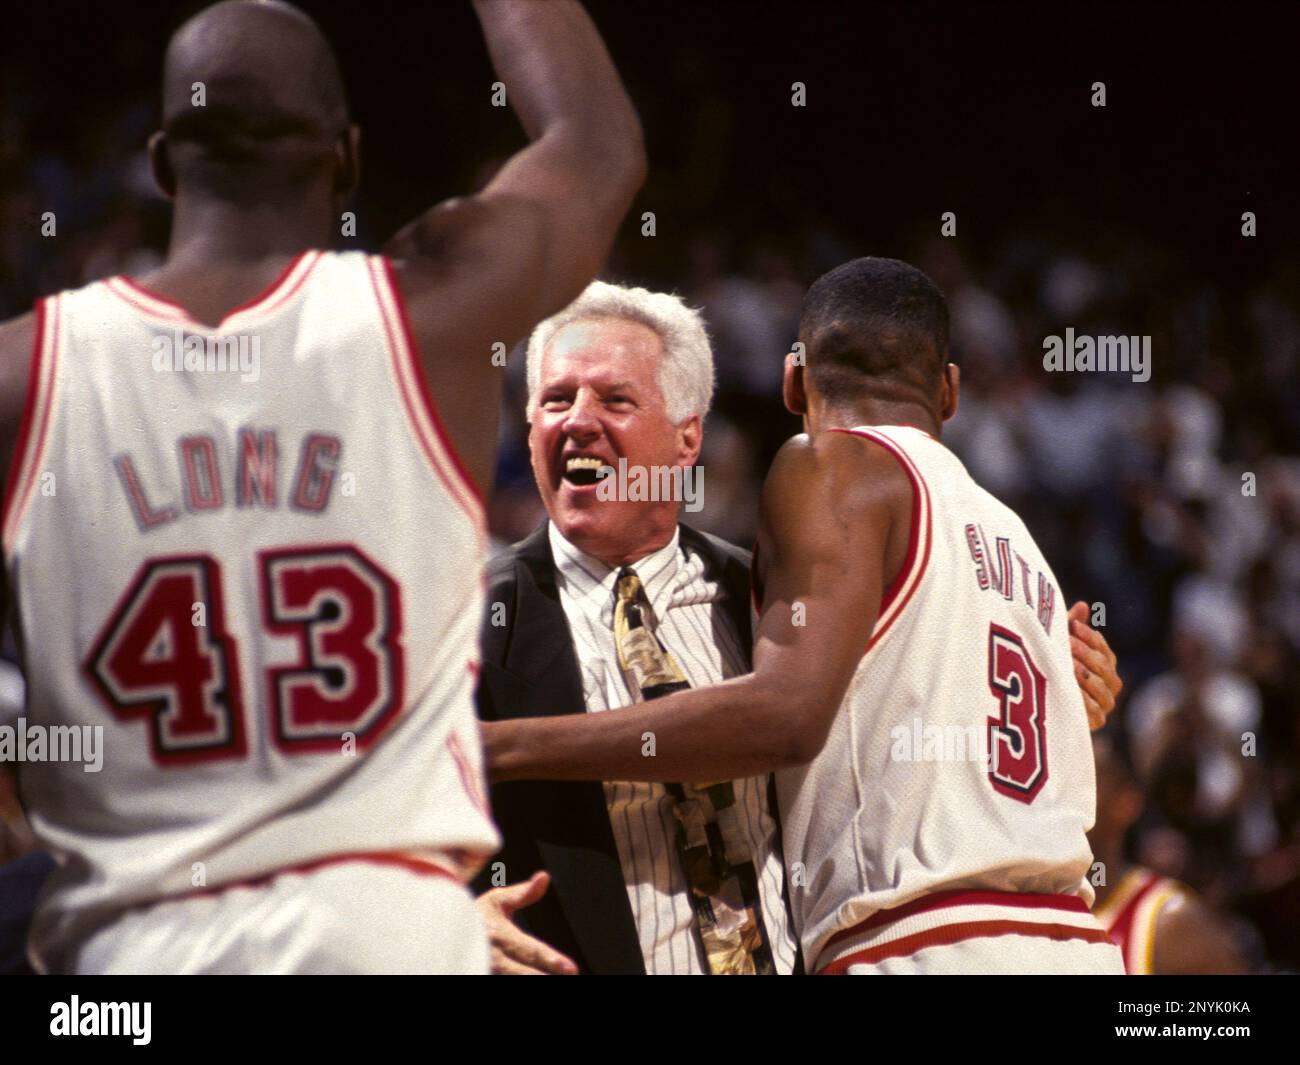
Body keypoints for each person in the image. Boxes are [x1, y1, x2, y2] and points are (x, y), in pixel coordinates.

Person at [0, 0, 644, 974]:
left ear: (164, 161)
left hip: (126, 965)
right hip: (384, 938)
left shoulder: (21, 377)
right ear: (345, 156)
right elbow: (596, 144)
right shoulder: (431, 313)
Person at [476, 271, 1123, 974]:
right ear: (950, 391)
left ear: (789, 386)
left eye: (615, 399)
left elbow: (786, 715)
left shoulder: (812, 502)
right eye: (555, 399)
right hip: (1070, 943)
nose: (578, 420)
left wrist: (490, 748)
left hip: (914, 942)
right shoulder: (1019, 542)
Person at [1089, 733, 1248, 974]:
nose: (1063, 795)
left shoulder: (1172, 923)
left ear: (1126, 803)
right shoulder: (1033, 909)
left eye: (1083, 780)